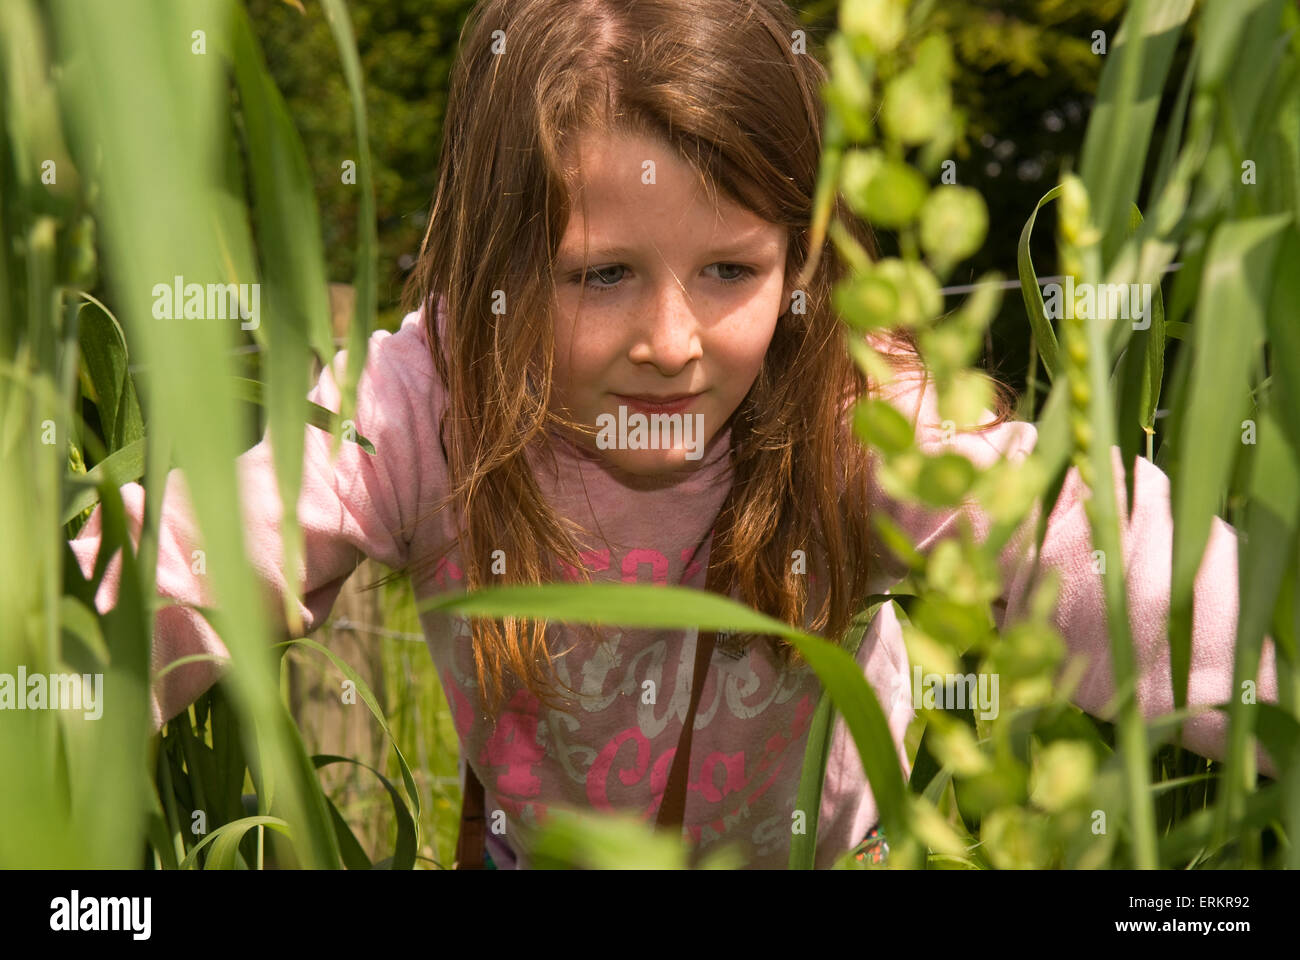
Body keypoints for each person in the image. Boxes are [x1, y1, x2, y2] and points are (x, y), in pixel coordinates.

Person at [69, 0, 1277, 869]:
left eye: (728, 269)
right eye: (599, 273)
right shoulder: (425, 405)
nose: (672, 339)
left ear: (800, 258)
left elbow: (1117, 571)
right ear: (496, 262)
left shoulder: (852, 414)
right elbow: (191, 560)